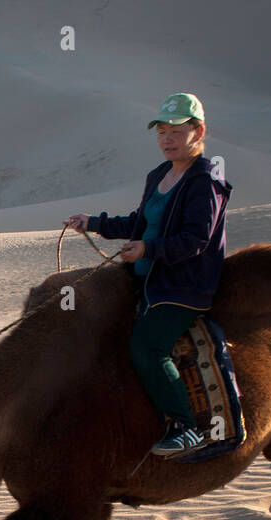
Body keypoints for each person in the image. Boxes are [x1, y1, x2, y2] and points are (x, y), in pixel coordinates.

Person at [65, 92, 233, 457]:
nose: (167, 139)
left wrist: (148, 249)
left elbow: (196, 239)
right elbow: (139, 222)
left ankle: (187, 427)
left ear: (198, 130)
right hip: (145, 276)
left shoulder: (205, 180)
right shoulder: (160, 175)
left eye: (176, 131)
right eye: (161, 132)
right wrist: (92, 223)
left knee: (147, 346)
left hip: (182, 285)